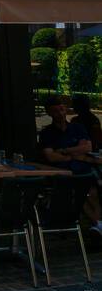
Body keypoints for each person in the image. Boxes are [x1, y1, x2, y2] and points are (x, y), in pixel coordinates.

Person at [39, 95, 102, 230]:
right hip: (64, 174)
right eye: (56, 111)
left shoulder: (77, 127)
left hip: (82, 171)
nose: (60, 114)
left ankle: (97, 224)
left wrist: (64, 151)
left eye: (62, 109)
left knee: (93, 194)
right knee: (81, 195)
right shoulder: (47, 133)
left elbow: (87, 147)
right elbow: (51, 157)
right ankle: (97, 224)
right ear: (49, 113)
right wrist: (76, 155)